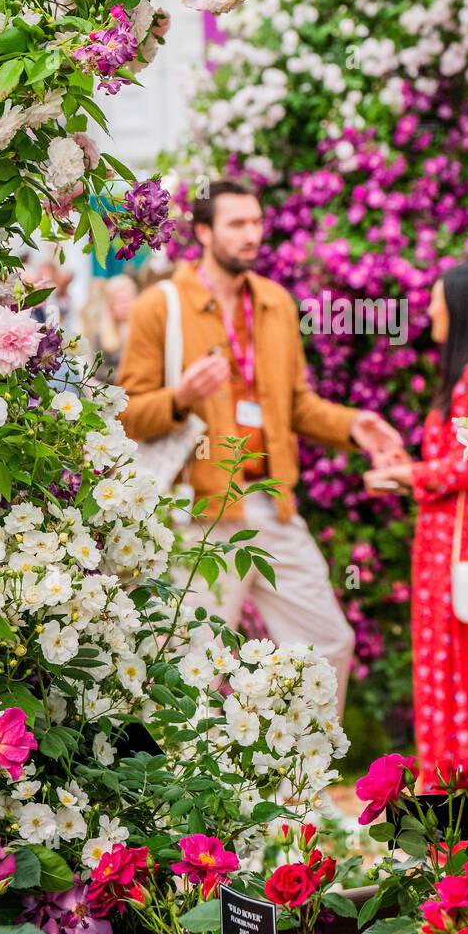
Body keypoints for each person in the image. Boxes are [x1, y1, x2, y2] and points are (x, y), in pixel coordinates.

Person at [117, 178, 403, 716]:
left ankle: (302, 793)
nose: (253, 234)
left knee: (327, 645)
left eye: (257, 222)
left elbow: (296, 405)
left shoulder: (275, 302)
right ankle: (195, 797)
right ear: (203, 232)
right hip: (200, 515)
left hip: (272, 503)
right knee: (189, 669)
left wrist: (356, 426)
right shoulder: (162, 305)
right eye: (237, 224)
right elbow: (127, 415)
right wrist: (181, 397)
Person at [365, 262, 468, 788]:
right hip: (459, 537)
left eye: (437, 300)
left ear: (461, 309)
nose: (431, 310)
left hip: (466, 541)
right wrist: (407, 465)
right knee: (464, 672)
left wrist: (404, 472)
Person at [81, 275, 138, 383]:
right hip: (112, 392)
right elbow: (97, 370)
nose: (125, 306)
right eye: (121, 301)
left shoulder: (141, 329)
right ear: (111, 304)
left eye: (129, 300)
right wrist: (125, 375)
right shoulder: (100, 333)